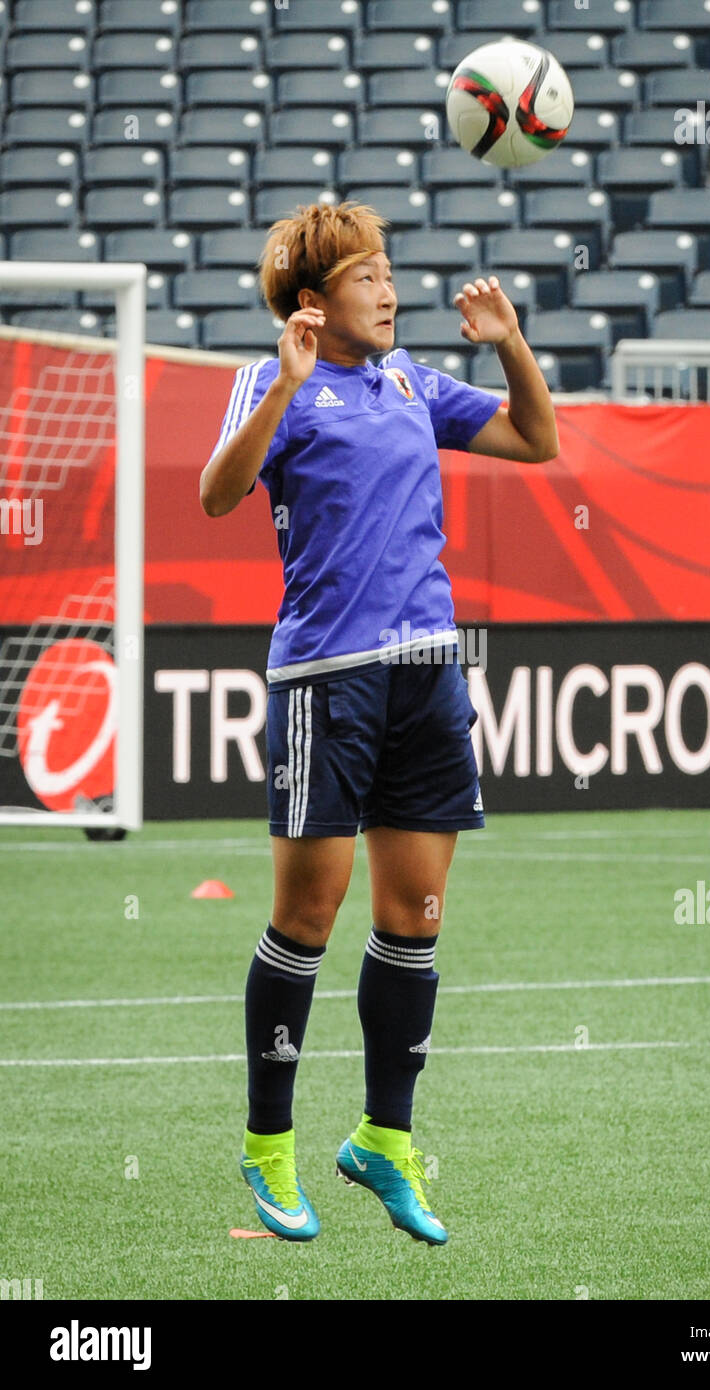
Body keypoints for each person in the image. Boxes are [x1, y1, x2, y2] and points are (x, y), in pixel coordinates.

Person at [200, 200, 559, 1246]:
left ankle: (382, 1142)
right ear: (313, 302)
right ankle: (270, 1145)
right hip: (324, 681)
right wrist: (284, 384)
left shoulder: (414, 383)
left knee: (416, 920)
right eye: (366, 276)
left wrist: (511, 345)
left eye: (389, 272)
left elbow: (537, 441)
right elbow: (220, 494)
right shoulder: (272, 383)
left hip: (427, 674)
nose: (388, 290)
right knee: (306, 920)